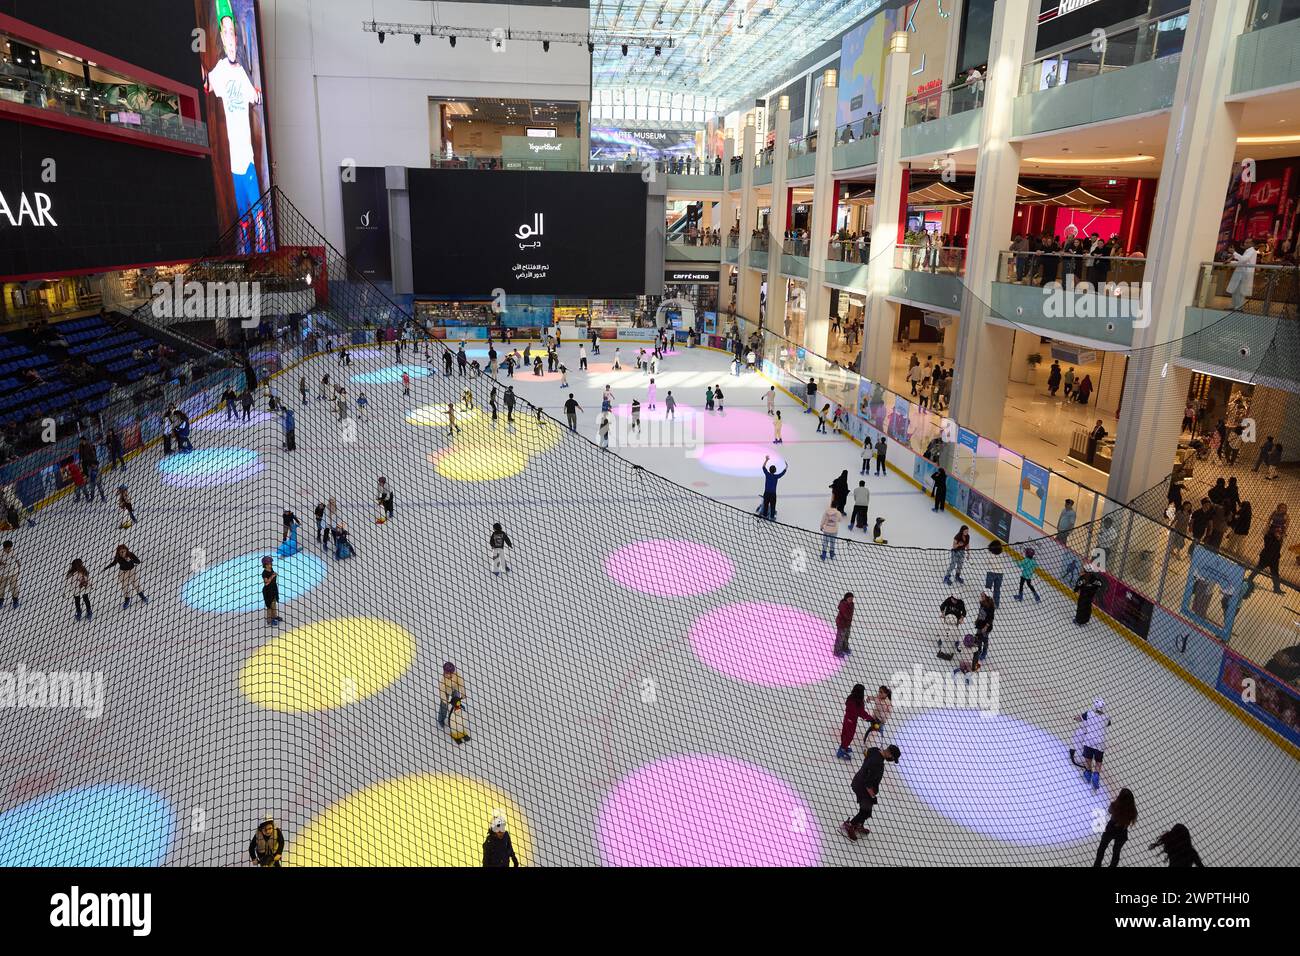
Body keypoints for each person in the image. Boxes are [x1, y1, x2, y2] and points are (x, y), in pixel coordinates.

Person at [841, 744, 901, 841]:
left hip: (858, 780)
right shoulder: (878, 765)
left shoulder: (874, 750)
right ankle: (850, 825)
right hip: (863, 788)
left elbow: (867, 752)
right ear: (890, 754)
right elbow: (868, 784)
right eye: (892, 758)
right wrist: (873, 796)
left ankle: (859, 824)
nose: (891, 759)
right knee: (865, 811)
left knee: (867, 808)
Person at [1095, 788, 1137, 867]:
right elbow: (1131, 819)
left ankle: (1097, 865)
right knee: (1116, 852)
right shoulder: (1132, 810)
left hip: (1111, 828)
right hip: (1122, 832)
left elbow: (1109, 811)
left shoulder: (1115, 805)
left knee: (1102, 847)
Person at [103, 544, 147, 609]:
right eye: (121, 551)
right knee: (125, 587)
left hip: (132, 571)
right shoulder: (118, 557)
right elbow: (114, 563)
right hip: (123, 573)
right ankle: (127, 600)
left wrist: (130, 560)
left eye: (124, 551)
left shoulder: (130, 554)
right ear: (118, 552)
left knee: (135, 584)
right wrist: (106, 568)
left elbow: (138, 561)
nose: (122, 553)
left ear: (126, 550)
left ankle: (142, 596)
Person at [837, 683, 869, 758]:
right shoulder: (859, 702)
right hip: (852, 721)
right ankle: (841, 751)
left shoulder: (850, 697)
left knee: (844, 733)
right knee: (849, 736)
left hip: (846, 718)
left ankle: (843, 746)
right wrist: (869, 718)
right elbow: (862, 713)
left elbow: (847, 704)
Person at [1226, 238, 1257, 310]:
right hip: (1241, 273)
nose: (1245, 244)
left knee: (1241, 291)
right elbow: (1242, 262)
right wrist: (1230, 262)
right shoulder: (1247, 251)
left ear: (1252, 244)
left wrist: (1234, 252)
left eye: (1247, 242)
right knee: (1235, 290)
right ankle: (1234, 305)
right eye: (1245, 242)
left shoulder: (1252, 251)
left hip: (1245, 274)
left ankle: (1239, 307)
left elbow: (1243, 259)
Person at [759, 455, 787, 521]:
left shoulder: (767, 474)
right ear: (775, 471)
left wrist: (766, 460)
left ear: (770, 470)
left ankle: (765, 515)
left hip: (766, 493)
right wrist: (786, 467)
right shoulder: (776, 476)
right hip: (773, 494)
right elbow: (783, 473)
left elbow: (763, 467)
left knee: (766, 505)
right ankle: (771, 517)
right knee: (773, 506)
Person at [261, 556, 281, 626]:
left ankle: (274, 616)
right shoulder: (264, 573)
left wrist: (274, 573)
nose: (271, 565)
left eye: (271, 563)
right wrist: (272, 576)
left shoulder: (271, 569)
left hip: (273, 589)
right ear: (265, 565)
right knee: (269, 606)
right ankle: (269, 620)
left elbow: (272, 574)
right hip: (268, 591)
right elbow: (266, 583)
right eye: (269, 564)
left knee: (274, 604)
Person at [833, 593, 855, 658]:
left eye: (852, 598)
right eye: (849, 599)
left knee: (846, 637)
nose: (851, 600)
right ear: (846, 599)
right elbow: (846, 615)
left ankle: (844, 648)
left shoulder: (851, 604)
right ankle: (837, 651)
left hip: (847, 624)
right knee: (840, 638)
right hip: (841, 624)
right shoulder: (844, 605)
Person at [0, 540, 19, 608]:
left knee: (14, 587)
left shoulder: (13, 552)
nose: (9, 549)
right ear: (4, 548)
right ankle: (1, 601)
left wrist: (18, 569)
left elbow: (17, 561)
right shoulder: (1, 553)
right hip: (3, 574)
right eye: (8, 548)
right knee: (1, 588)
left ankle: (15, 600)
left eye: (10, 547)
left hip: (13, 572)